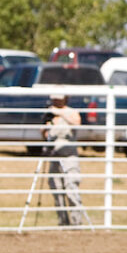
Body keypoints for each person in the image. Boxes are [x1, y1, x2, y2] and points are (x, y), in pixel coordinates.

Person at [41, 91, 84, 226]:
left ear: (65, 99)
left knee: (71, 188)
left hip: (69, 156)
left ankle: (77, 222)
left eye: (59, 99)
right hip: (54, 156)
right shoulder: (50, 114)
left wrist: (60, 114)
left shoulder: (71, 112)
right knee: (56, 188)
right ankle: (62, 222)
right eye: (54, 99)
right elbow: (45, 134)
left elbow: (77, 124)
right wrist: (45, 125)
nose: (56, 101)